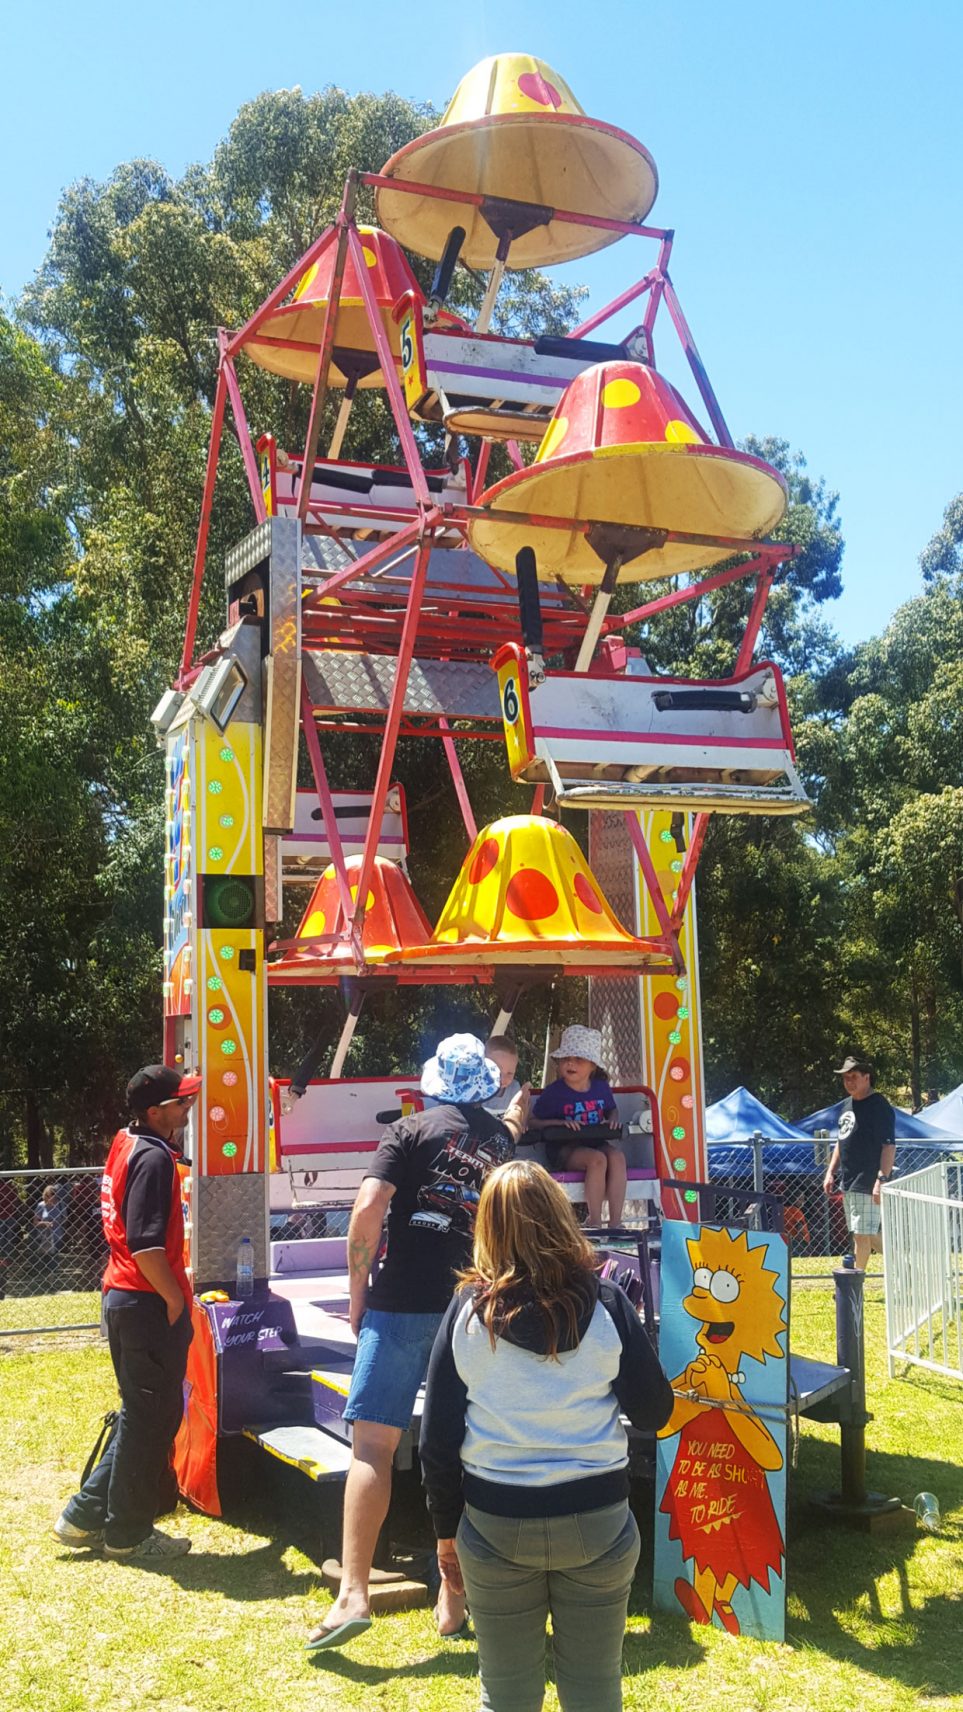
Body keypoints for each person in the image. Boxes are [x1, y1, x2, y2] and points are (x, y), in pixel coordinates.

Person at [420, 1159, 673, 1712]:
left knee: (505, 1695)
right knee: (594, 1692)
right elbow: (655, 1413)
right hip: (599, 1520)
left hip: (494, 1522)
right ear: (562, 1216)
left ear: (486, 1225)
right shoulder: (607, 1303)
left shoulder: (466, 1312)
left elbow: (436, 1441)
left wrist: (445, 1534)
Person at [306, 1034, 531, 1653]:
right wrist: (518, 1106)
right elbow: (512, 1130)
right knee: (459, 1448)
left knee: (372, 1447)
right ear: (485, 1084)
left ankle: (354, 1592)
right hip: (475, 1307)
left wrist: (357, 1292)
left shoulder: (406, 1134)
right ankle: (454, 1591)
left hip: (401, 1301)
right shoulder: (499, 1141)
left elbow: (368, 1208)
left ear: (431, 1082)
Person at [53, 1063, 202, 1560]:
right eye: (182, 1102)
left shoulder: (126, 1141)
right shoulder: (154, 1160)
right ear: (156, 1111)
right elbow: (144, 1245)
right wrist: (175, 1299)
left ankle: (84, 1515)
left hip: (125, 1298)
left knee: (143, 1415)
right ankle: (127, 1533)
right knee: (152, 1418)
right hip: (145, 1301)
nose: (189, 1107)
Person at [530, 1025, 627, 1227]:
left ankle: (616, 1222)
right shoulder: (554, 1092)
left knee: (617, 1157)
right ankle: (595, 1221)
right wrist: (561, 1123)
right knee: (597, 1160)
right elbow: (533, 1121)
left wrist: (613, 1119)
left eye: (578, 1059)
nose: (571, 1063)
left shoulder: (601, 1088)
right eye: (566, 1059)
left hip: (594, 1142)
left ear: (592, 1066)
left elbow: (612, 1109)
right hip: (565, 1149)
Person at [822, 1054, 896, 1271]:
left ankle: (854, 1284)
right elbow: (841, 1139)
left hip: (868, 1178)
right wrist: (830, 1172)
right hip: (849, 1178)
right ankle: (904, 1266)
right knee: (865, 1231)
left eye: (853, 1076)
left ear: (867, 1077)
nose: (849, 1082)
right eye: (845, 1078)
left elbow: (888, 1146)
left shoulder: (879, 1105)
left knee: (862, 1235)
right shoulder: (847, 1105)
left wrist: (881, 1179)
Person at [484, 1034, 521, 1115]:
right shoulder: (476, 1089)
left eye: (510, 1073)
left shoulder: (514, 1089)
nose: (503, 1079)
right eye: (497, 1071)